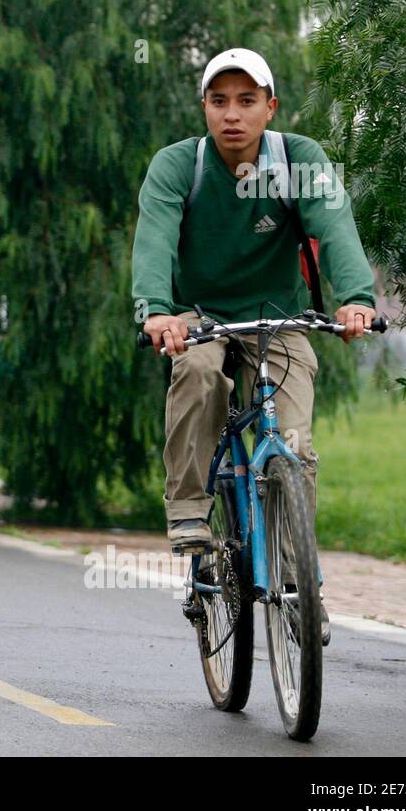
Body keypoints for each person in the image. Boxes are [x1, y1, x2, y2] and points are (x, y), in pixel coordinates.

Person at [131, 48, 378, 644]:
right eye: (220, 102)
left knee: (293, 443)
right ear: (205, 109)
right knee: (194, 372)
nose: (233, 115)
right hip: (202, 318)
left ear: (271, 107)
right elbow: (156, 237)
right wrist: (157, 313)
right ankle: (190, 509)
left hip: (280, 319)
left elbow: (333, 225)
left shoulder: (299, 160)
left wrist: (356, 298)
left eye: (247, 101)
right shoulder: (177, 166)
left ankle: (299, 579)